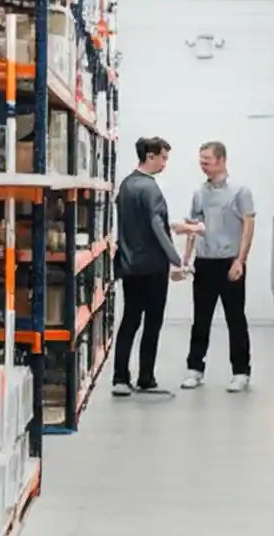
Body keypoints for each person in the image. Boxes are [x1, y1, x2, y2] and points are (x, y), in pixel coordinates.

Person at [179, 141, 256, 393]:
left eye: (207, 160)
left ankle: (241, 372)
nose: (203, 164)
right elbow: (193, 227)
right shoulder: (199, 193)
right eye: (200, 160)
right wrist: (186, 259)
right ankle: (194, 368)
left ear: (221, 160)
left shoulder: (240, 191)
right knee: (201, 318)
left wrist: (240, 260)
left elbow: (248, 226)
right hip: (205, 262)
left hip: (230, 262)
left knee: (235, 318)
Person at [112, 136, 186, 397]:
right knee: (152, 322)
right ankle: (146, 377)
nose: (165, 163)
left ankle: (120, 378)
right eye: (163, 157)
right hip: (153, 267)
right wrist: (176, 259)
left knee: (130, 320)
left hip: (130, 265)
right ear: (150, 156)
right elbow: (157, 226)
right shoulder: (150, 188)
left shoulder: (126, 185)